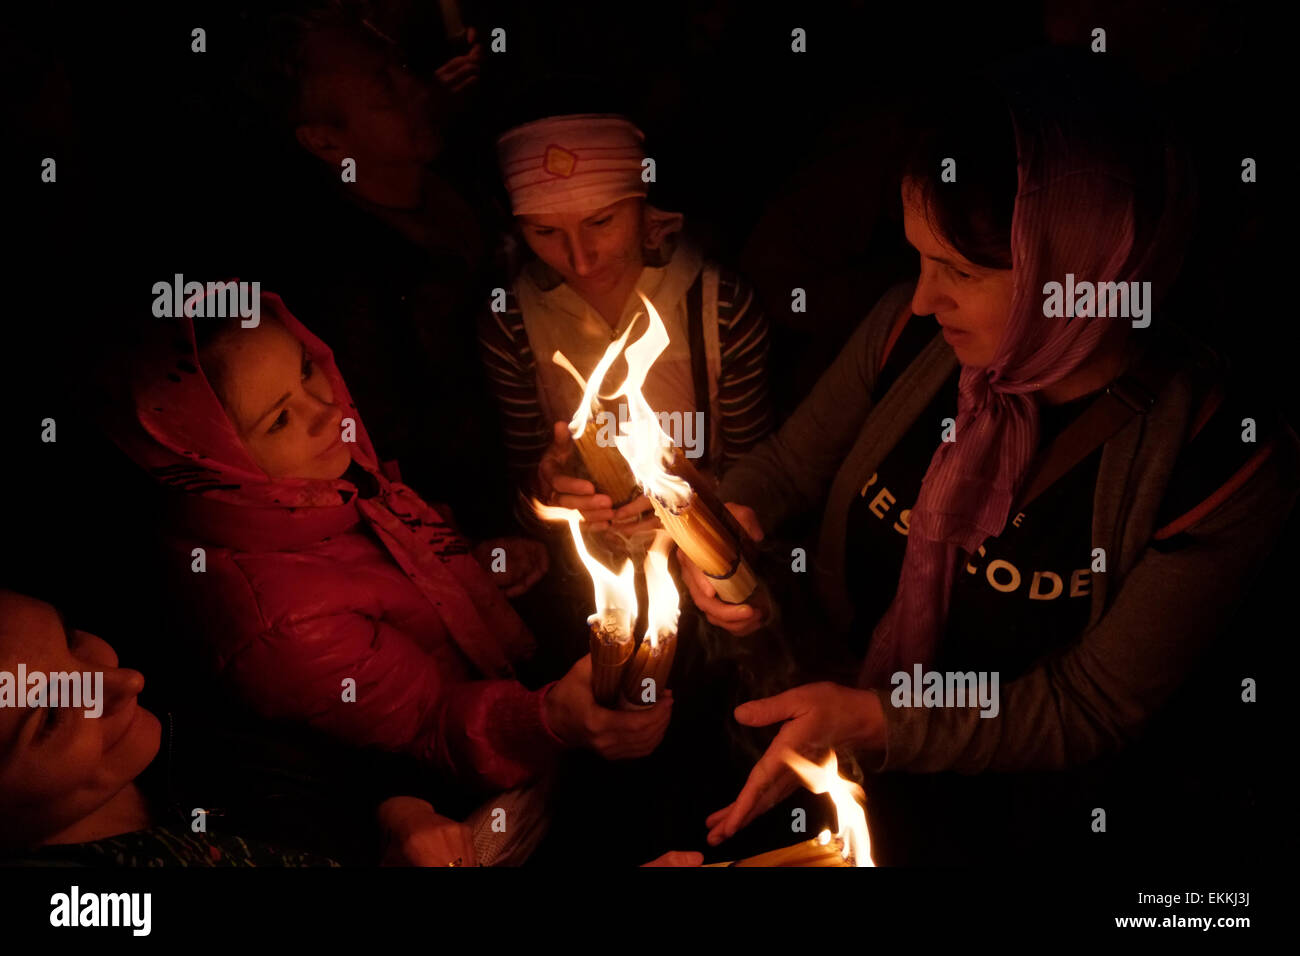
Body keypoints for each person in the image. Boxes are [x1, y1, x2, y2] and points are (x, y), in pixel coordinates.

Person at [680, 51, 1299, 864]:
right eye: (919, 260)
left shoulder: (1218, 464)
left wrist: (880, 720)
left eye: (961, 271)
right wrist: (724, 530)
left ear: (1077, 270)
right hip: (834, 745)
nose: (924, 297)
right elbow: (791, 466)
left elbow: (1090, 705)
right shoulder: (908, 336)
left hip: (1020, 823)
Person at [101, 292, 673, 813]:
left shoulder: (316, 479)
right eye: (279, 418)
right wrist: (551, 719)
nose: (327, 411)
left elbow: (378, 548)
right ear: (215, 467)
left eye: (306, 371)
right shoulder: (282, 625)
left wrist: (472, 564)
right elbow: (428, 732)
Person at [479, 113, 774, 553]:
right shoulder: (512, 321)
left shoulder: (719, 307)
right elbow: (523, 504)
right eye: (545, 232)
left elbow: (762, 478)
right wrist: (547, 496)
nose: (581, 261)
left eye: (600, 222)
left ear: (645, 209)